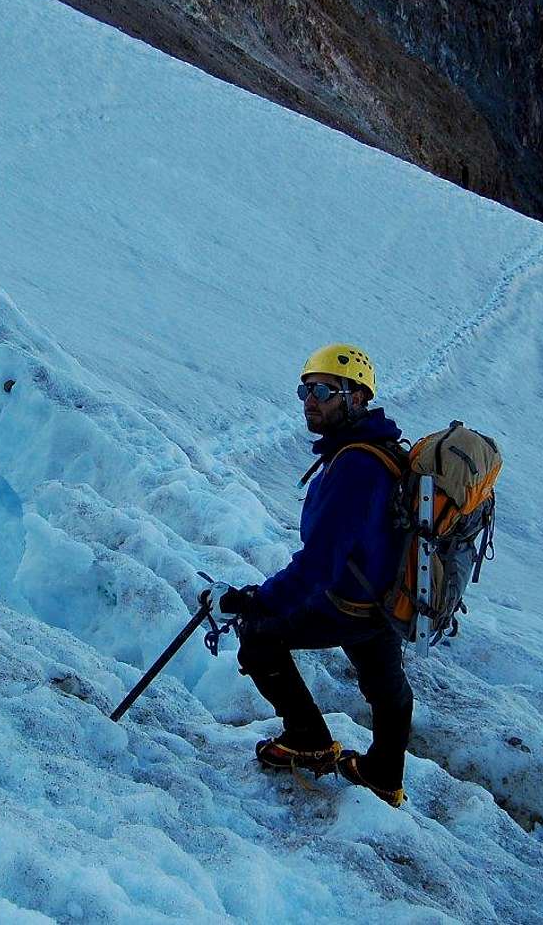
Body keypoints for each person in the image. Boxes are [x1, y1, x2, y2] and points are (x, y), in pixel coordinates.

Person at [219, 343, 413, 807]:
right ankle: (385, 775)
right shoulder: (377, 451)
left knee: (260, 637)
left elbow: (321, 562)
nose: (310, 399)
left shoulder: (357, 464)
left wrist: (261, 601)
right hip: (382, 598)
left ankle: (307, 739)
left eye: (324, 390)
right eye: (305, 389)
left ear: (358, 398)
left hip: (350, 601)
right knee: (387, 685)